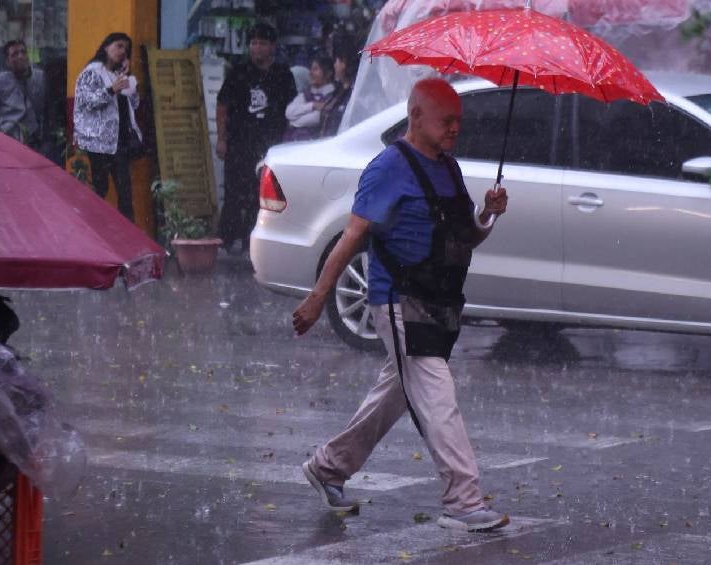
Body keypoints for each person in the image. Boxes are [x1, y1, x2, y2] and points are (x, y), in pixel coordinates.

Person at [292, 78, 511, 532]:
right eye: (446, 120)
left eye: (458, 122)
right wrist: (317, 298)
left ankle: (328, 467)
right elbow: (352, 236)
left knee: (394, 394)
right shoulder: (389, 167)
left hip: (437, 301)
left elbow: (465, 234)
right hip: (396, 299)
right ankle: (463, 500)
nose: (455, 129)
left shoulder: (447, 168)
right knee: (436, 394)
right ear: (416, 116)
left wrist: (487, 213)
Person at [215, 23, 297, 254]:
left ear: (272, 46)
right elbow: (222, 106)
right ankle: (227, 240)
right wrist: (222, 139)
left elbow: (293, 110)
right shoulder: (238, 73)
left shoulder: (283, 74)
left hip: (270, 145)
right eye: (253, 43)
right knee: (233, 192)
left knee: (261, 195)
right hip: (239, 142)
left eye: (262, 43)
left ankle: (256, 243)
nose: (256, 48)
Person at [73, 32, 143, 222]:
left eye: (126, 49)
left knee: (125, 193)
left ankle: (127, 239)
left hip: (119, 141)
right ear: (106, 47)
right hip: (99, 142)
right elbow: (85, 102)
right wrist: (111, 89)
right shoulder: (92, 72)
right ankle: (96, 232)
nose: (122, 51)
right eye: (118, 46)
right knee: (100, 189)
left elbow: (133, 105)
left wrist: (130, 82)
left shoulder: (117, 74)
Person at [0, 40, 47, 152]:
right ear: (7, 61)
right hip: (9, 141)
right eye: (15, 54)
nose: (20, 57)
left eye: (23, 52)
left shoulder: (39, 77)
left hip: (34, 140)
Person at [283, 56, 336, 142]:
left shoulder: (333, 96)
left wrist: (293, 122)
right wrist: (313, 106)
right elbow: (289, 113)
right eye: (311, 69)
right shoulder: (305, 94)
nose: (310, 73)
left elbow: (317, 118)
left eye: (315, 69)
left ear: (329, 73)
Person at [319, 47, 360, 137]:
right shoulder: (337, 91)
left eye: (337, 61)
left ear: (344, 64)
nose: (334, 65)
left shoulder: (356, 94)